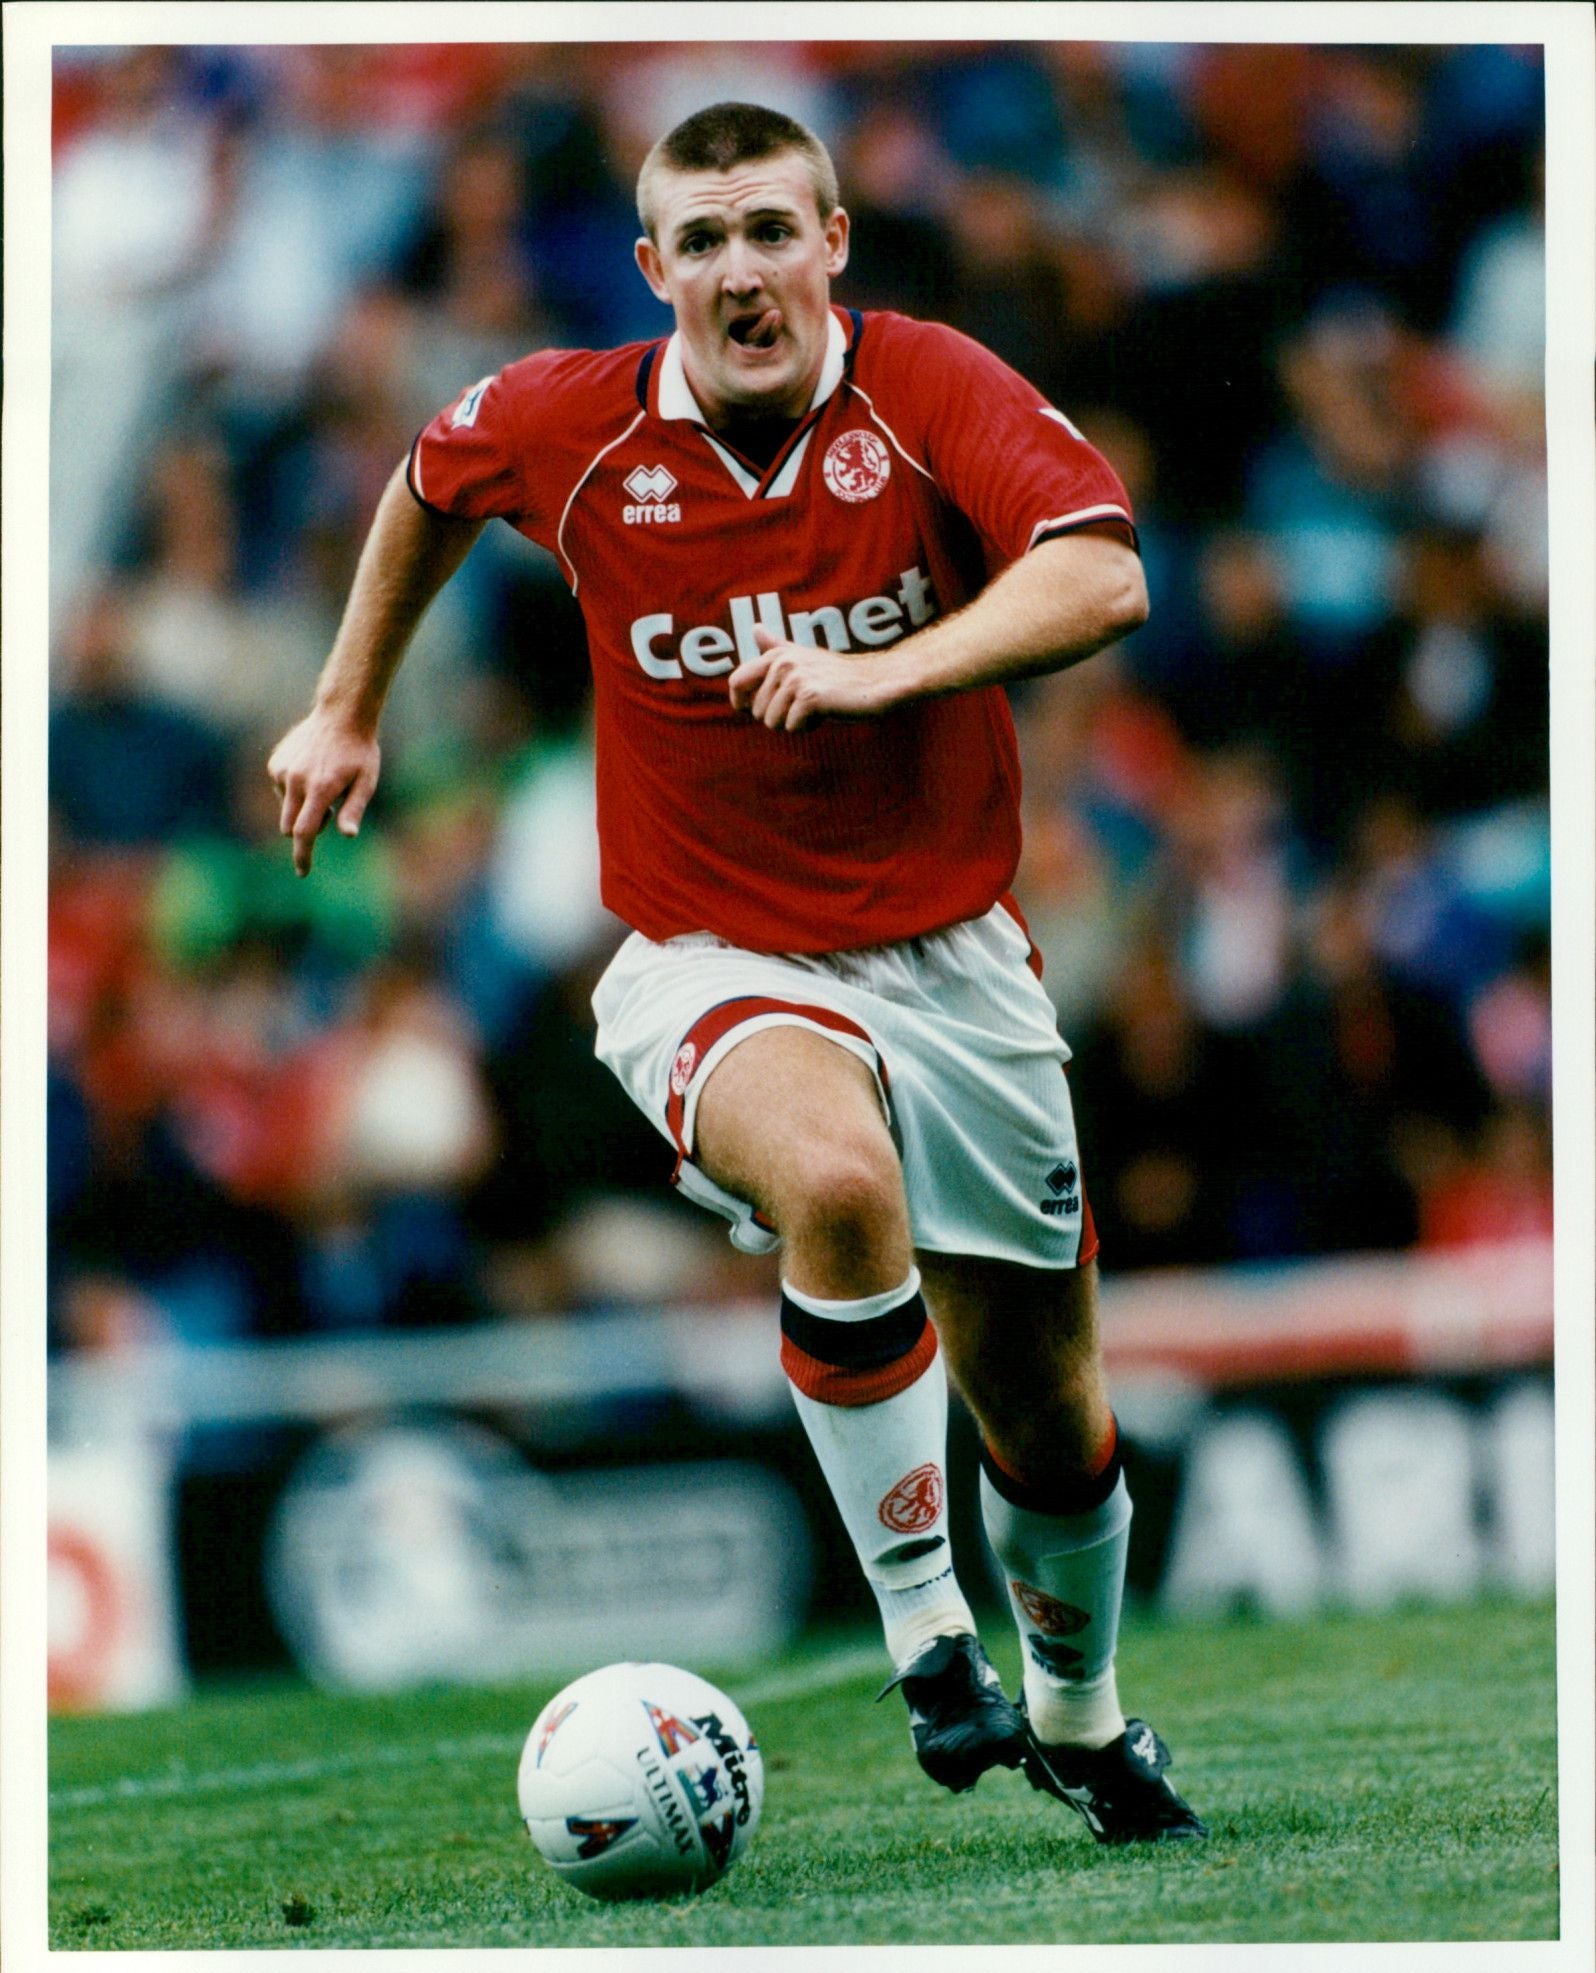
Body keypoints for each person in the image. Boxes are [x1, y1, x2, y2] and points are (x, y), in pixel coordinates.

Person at [269, 101, 1204, 1845]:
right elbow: (425, 481)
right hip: (711, 951)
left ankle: (1081, 1718)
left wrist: (886, 671)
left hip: (957, 956)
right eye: (698, 242)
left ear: (834, 243)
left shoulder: (926, 394)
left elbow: (1101, 572)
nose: (738, 269)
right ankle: (932, 1647)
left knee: (1054, 1417)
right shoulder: (580, 421)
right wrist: (345, 704)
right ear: (653, 271)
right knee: (838, 1185)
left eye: (770, 229)